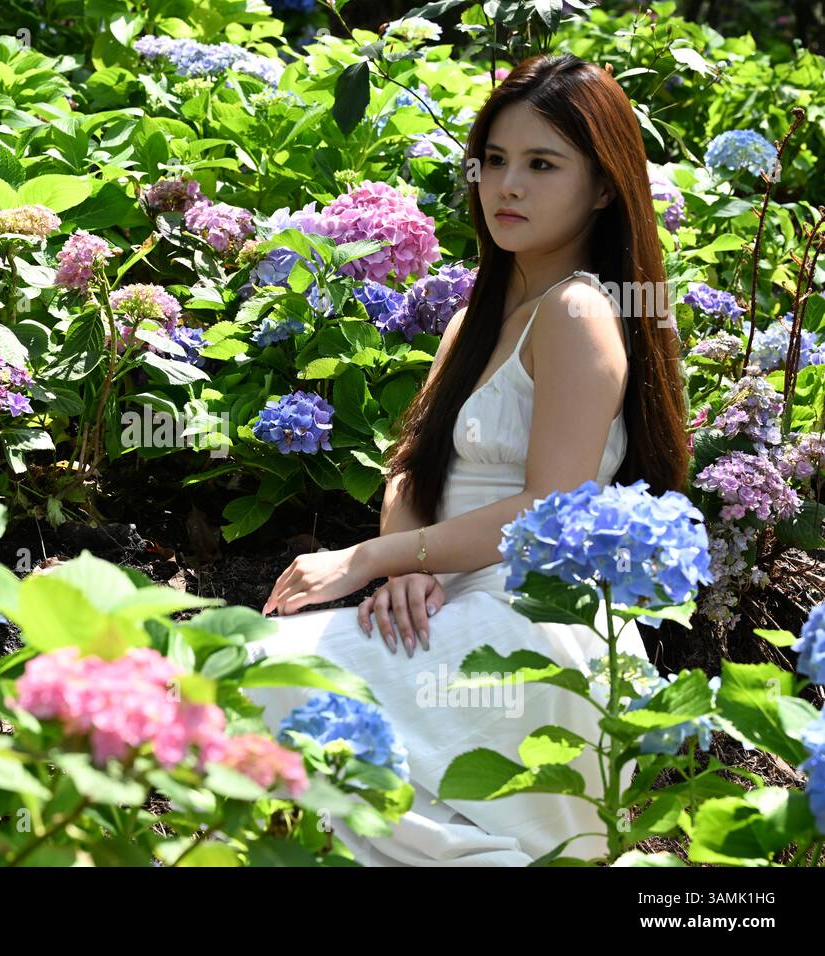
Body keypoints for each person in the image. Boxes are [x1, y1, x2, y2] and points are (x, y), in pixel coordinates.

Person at [242, 53, 692, 865]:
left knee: (266, 670)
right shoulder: (473, 321)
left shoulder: (581, 310)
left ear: (601, 187)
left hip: (530, 626)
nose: (506, 186)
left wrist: (366, 559)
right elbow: (412, 468)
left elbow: (544, 509)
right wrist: (411, 566)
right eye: (493, 160)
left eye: (540, 164)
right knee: (251, 671)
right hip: (443, 600)